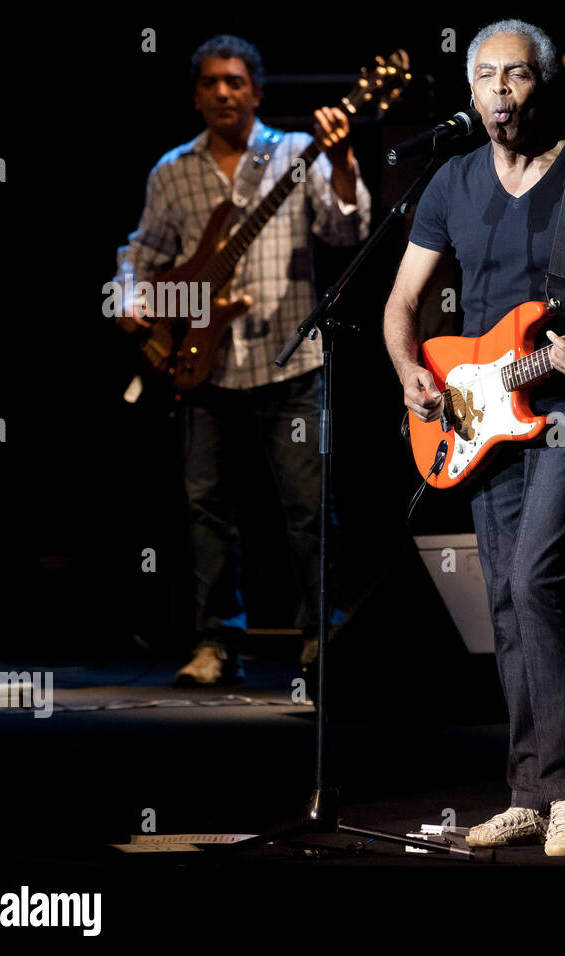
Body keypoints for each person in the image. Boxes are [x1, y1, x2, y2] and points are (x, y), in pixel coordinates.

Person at [383, 19, 565, 856]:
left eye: (518, 76)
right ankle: (526, 793)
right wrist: (410, 374)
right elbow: (401, 304)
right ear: (470, 92)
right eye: (487, 76)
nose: (501, 90)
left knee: (535, 582)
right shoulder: (451, 181)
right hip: (480, 413)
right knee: (501, 605)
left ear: (543, 86)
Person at [113, 35, 371, 686]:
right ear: (196, 95)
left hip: (290, 358)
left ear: (256, 91)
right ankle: (213, 643)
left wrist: (341, 163)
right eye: (209, 82)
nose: (223, 92)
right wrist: (129, 298)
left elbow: (347, 231)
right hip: (203, 365)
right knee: (204, 512)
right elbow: (140, 254)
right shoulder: (171, 171)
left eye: (234, 81)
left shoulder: (292, 153)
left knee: (309, 507)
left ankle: (322, 637)